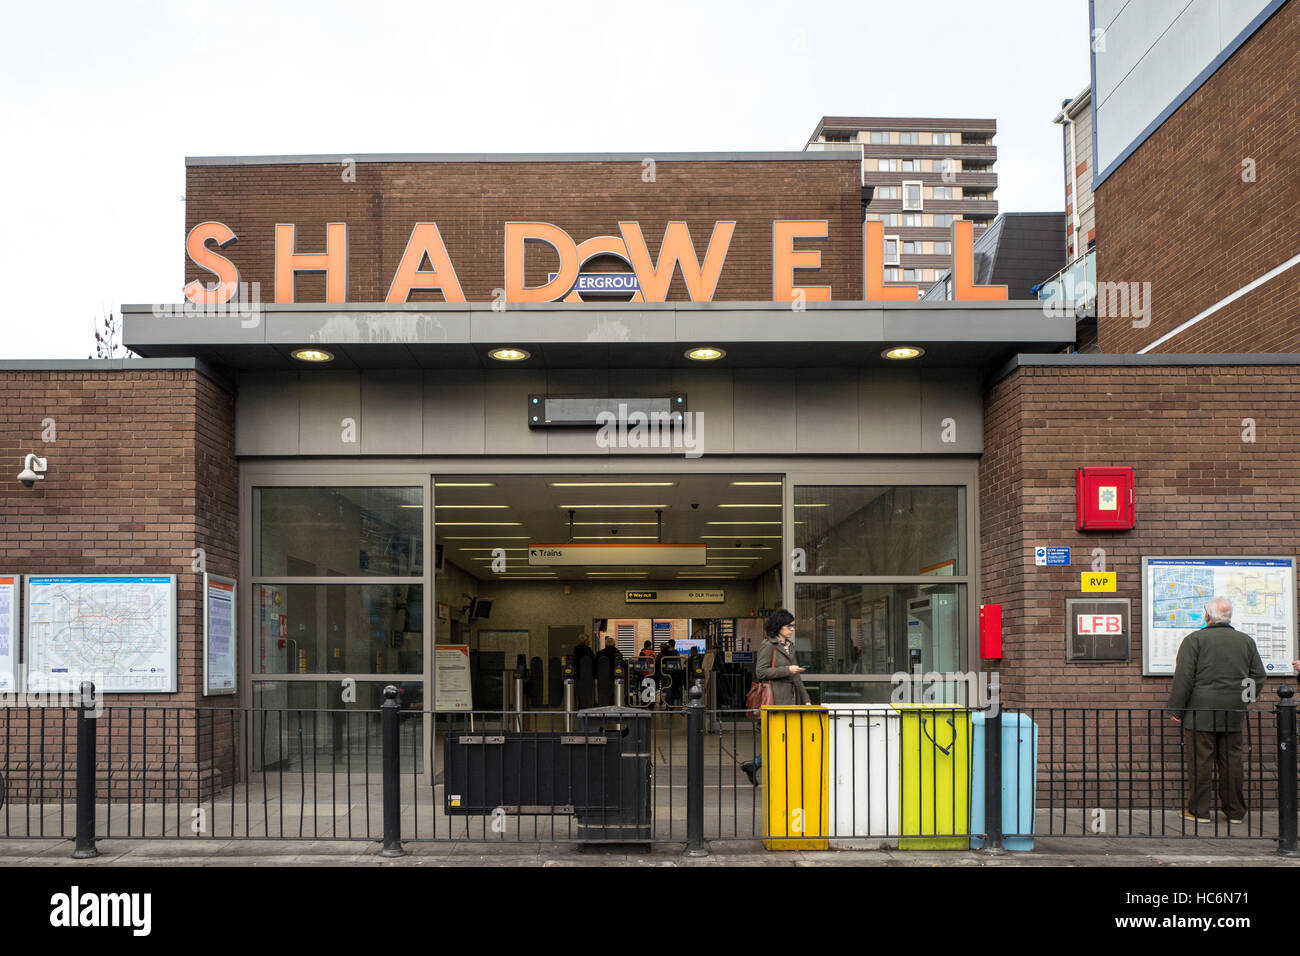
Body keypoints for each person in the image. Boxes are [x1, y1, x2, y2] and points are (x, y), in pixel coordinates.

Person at [1167, 596, 1266, 824]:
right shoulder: (1246, 641)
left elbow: (1184, 678)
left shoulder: (1195, 640)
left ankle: (1199, 812)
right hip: (1233, 713)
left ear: (1207, 616)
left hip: (1200, 713)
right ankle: (1235, 813)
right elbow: (1258, 676)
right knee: (1232, 763)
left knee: (1200, 763)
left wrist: (1177, 710)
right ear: (1229, 616)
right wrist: (1244, 699)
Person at [741, 609, 809, 786]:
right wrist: (787, 670)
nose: (792, 629)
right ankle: (767, 771)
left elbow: (796, 677)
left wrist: (806, 698)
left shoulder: (789, 646)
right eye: (789, 626)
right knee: (782, 742)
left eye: (793, 626)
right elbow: (761, 672)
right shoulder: (768, 645)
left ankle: (755, 765)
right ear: (779, 627)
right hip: (772, 701)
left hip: (787, 701)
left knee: (785, 742)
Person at [594, 635, 622, 705]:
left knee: (603, 694)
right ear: (614, 644)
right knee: (613, 695)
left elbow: (595, 665)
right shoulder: (617, 653)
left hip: (602, 678)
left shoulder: (600, 653)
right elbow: (622, 665)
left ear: (605, 644)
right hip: (614, 678)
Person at [572, 633, 595, 709]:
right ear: (585, 641)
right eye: (588, 640)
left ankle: (580, 705)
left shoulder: (576, 649)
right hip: (588, 674)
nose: (589, 642)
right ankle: (586, 705)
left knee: (579, 691)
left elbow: (574, 662)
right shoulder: (588, 650)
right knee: (587, 691)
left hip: (578, 674)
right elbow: (593, 661)